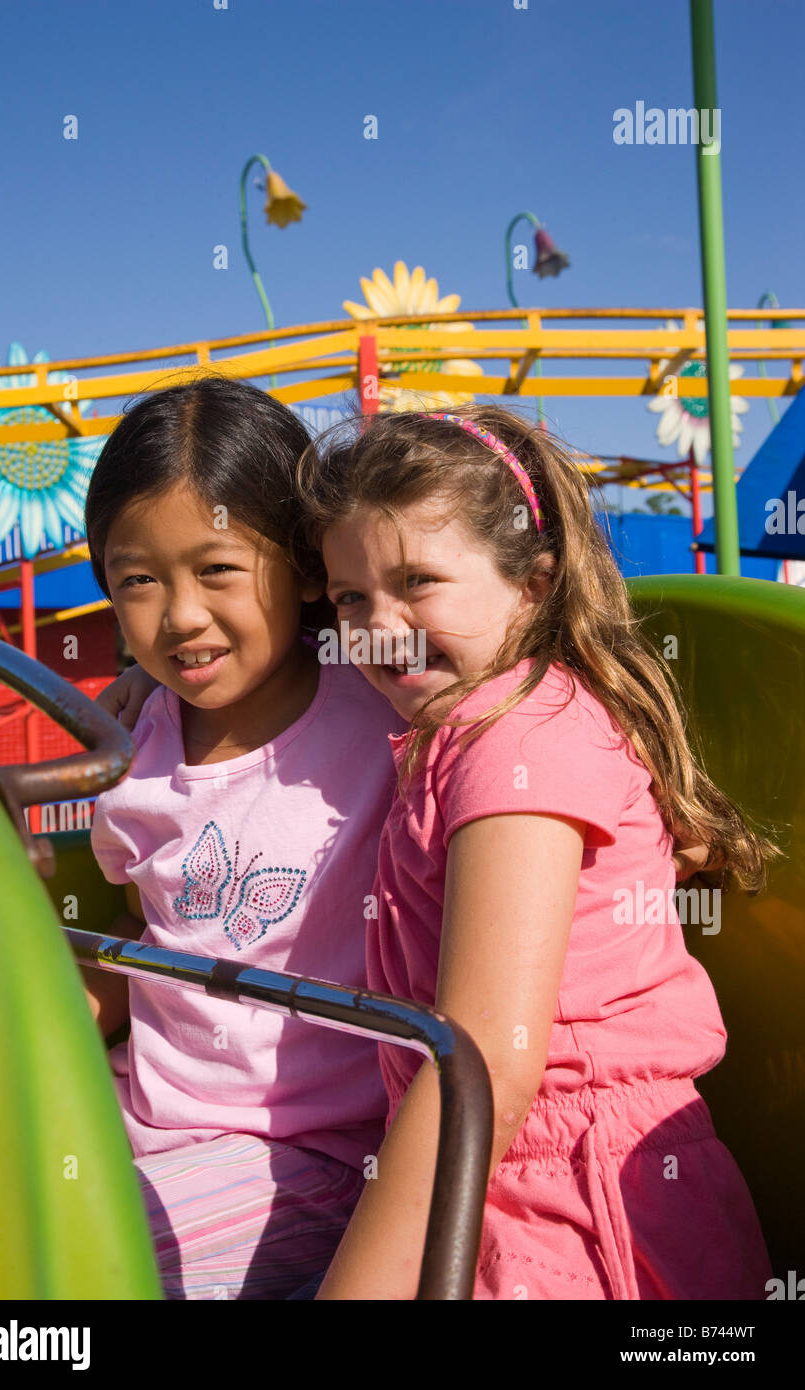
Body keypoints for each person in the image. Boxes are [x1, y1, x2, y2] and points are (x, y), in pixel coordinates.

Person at [288, 404, 779, 1301]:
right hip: (508, 1169)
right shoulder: (481, 712)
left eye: (419, 581)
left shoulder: (516, 746)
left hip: (571, 1205)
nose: (378, 626)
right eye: (351, 596)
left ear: (535, 583)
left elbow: (488, 1059)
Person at [81, 376, 404, 1300]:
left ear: (305, 567)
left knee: (80, 1261)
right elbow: (140, 942)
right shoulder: (131, 749)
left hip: (316, 1161)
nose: (179, 616)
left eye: (217, 569)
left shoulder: (382, 711)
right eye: (137, 581)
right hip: (149, 1124)